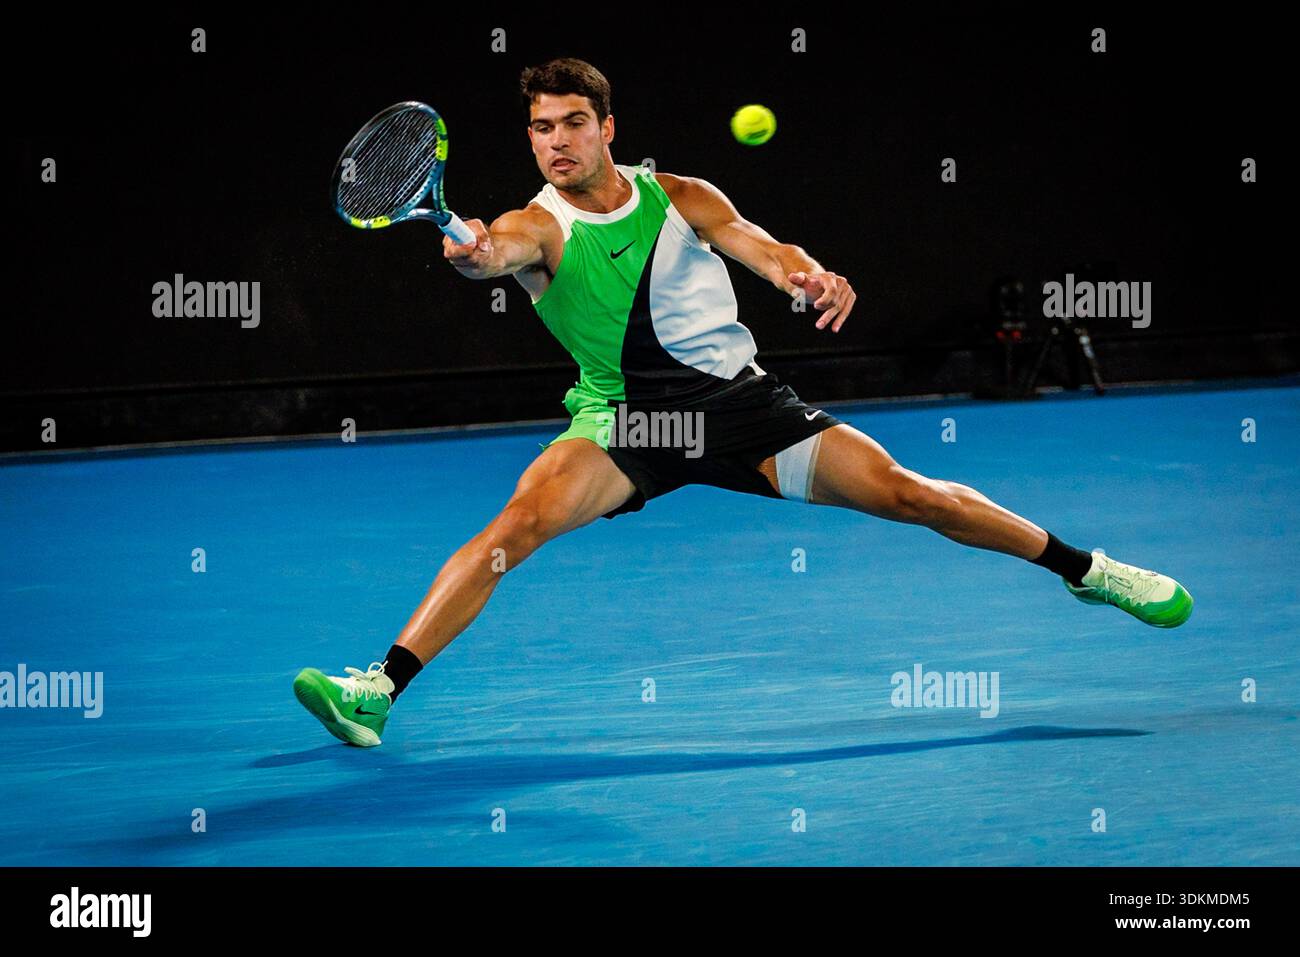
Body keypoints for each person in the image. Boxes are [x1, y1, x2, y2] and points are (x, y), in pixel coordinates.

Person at [294, 58, 1192, 747]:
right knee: (513, 528)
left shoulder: (682, 196)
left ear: (609, 127)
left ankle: (1087, 571)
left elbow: (768, 249)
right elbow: (494, 253)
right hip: (627, 424)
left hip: (747, 410)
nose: (557, 141)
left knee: (914, 496)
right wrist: (472, 252)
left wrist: (809, 277)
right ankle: (377, 686)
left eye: (573, 123)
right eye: (540, 128)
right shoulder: (535, 226)